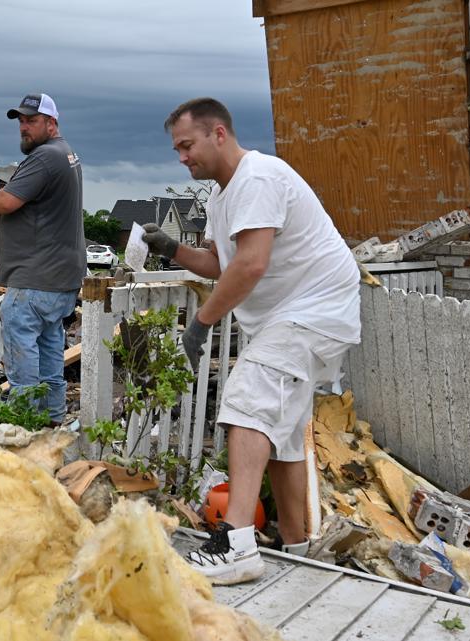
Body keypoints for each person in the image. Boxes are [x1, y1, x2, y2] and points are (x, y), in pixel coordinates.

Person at [142, 98, 361, 585]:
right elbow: (221, 263)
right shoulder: (223, 197)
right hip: (295, 315)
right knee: (281, 434)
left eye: (187, 145)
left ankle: (236, 543)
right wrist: (172, 248)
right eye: (176, 149)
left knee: (246, 402)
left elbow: (252, 264)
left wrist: (201, 322)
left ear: (218, 133)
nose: (182, 158)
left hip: (312, 309)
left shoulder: (257, 177)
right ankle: (300, 545)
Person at [0, 93, 85, 425]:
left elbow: (6, 202)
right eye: (21, 121)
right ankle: (51, 421)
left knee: (22, 371)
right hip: (60, 280)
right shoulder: (66, 155)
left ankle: (23, 429)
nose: (24, 127)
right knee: (50, 354)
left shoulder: (45, 157)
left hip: (35, 279)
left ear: (52, 123)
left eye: (31, 121)